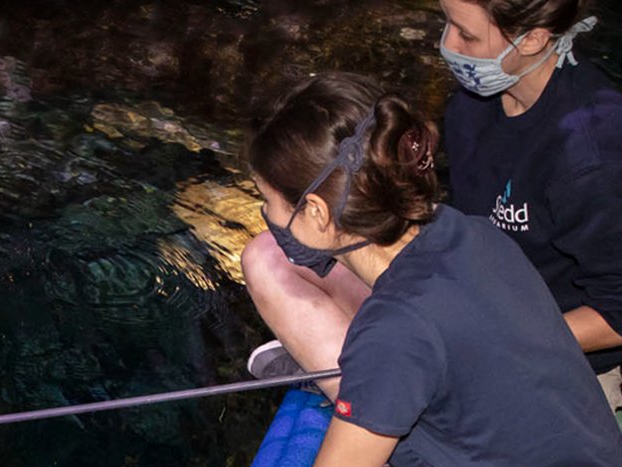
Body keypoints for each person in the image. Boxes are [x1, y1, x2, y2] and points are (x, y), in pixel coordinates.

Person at [153, 72, 622, 467]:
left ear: (315, 213)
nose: (265, 216)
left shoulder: (394, 333)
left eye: (267, 200)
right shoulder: (469, 235)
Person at [242, 0, 622, 411]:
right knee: (269, 257)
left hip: (549, 355)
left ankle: (382, 415)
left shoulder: (591, 153)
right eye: (448, 24)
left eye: (467, 35)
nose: (448, 45)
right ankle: (367, 385)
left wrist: (492, 342)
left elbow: (617, 314)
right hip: (466, 298)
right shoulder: (477, 101)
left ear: (532, 39)